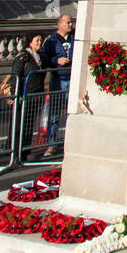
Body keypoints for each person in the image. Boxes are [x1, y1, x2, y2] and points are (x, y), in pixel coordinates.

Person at [40, 14, 73, 155]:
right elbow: (45, 59)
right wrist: (56, 60)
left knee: (71, 112)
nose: (70, 25)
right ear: (60, 25)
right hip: (58, 79)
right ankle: (51, 144)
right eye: (68, 22)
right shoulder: (51, 41)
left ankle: (70, 142)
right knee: (54, 113)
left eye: (71, 22)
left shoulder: (75, 38)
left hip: (72, 78)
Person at [9, 33, 45, 160]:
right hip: (23, 95)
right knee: (19, 124)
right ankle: (15, 152)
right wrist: (15, 95)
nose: (39, 43)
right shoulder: (23, 57)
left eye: (41, 41)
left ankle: (25, 149)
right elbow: (16, 75)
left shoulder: (39, 57)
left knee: (29, 124)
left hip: (34, 96)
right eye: (36, 41)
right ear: (30, 42)